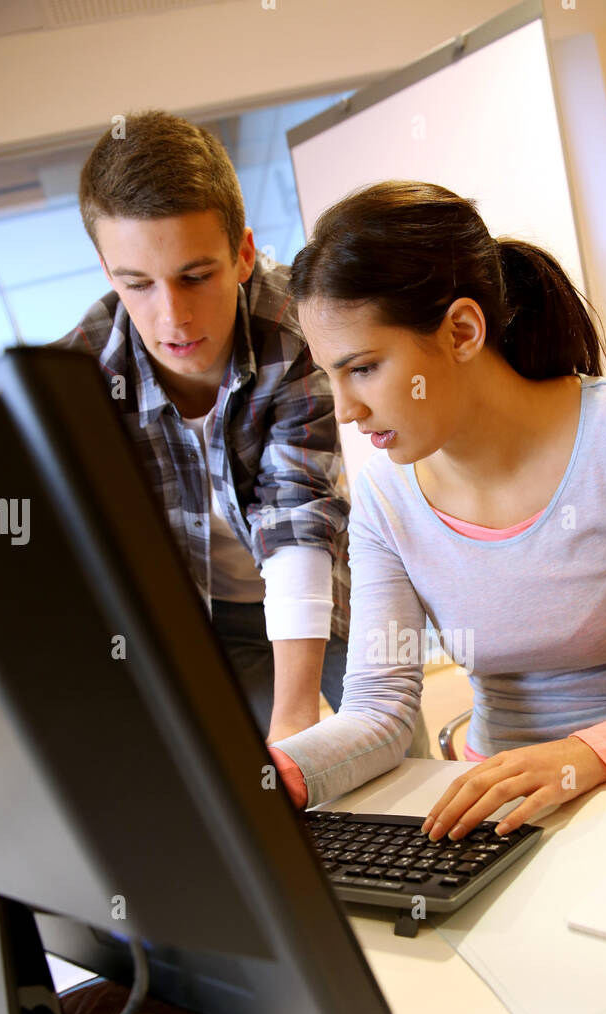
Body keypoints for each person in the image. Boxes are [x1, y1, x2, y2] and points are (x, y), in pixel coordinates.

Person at [268, 178, 606, 842]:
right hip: (497, 811)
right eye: (329, 375)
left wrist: (584, 757)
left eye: (362, 368)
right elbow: (381, 712)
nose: (345, 410)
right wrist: (264, 780)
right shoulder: (387, 499)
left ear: (464, 331)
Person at [52, 109, 430, 759]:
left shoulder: (299, 328)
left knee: (393, 762)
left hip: (320, 596)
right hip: (194, 624)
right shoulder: (77, 375)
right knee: (253, 793)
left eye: (196, 276)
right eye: (137, 285)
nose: (172, 316)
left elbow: (297, 517)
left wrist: (295, 716)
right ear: (107, 272)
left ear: (244, 253)